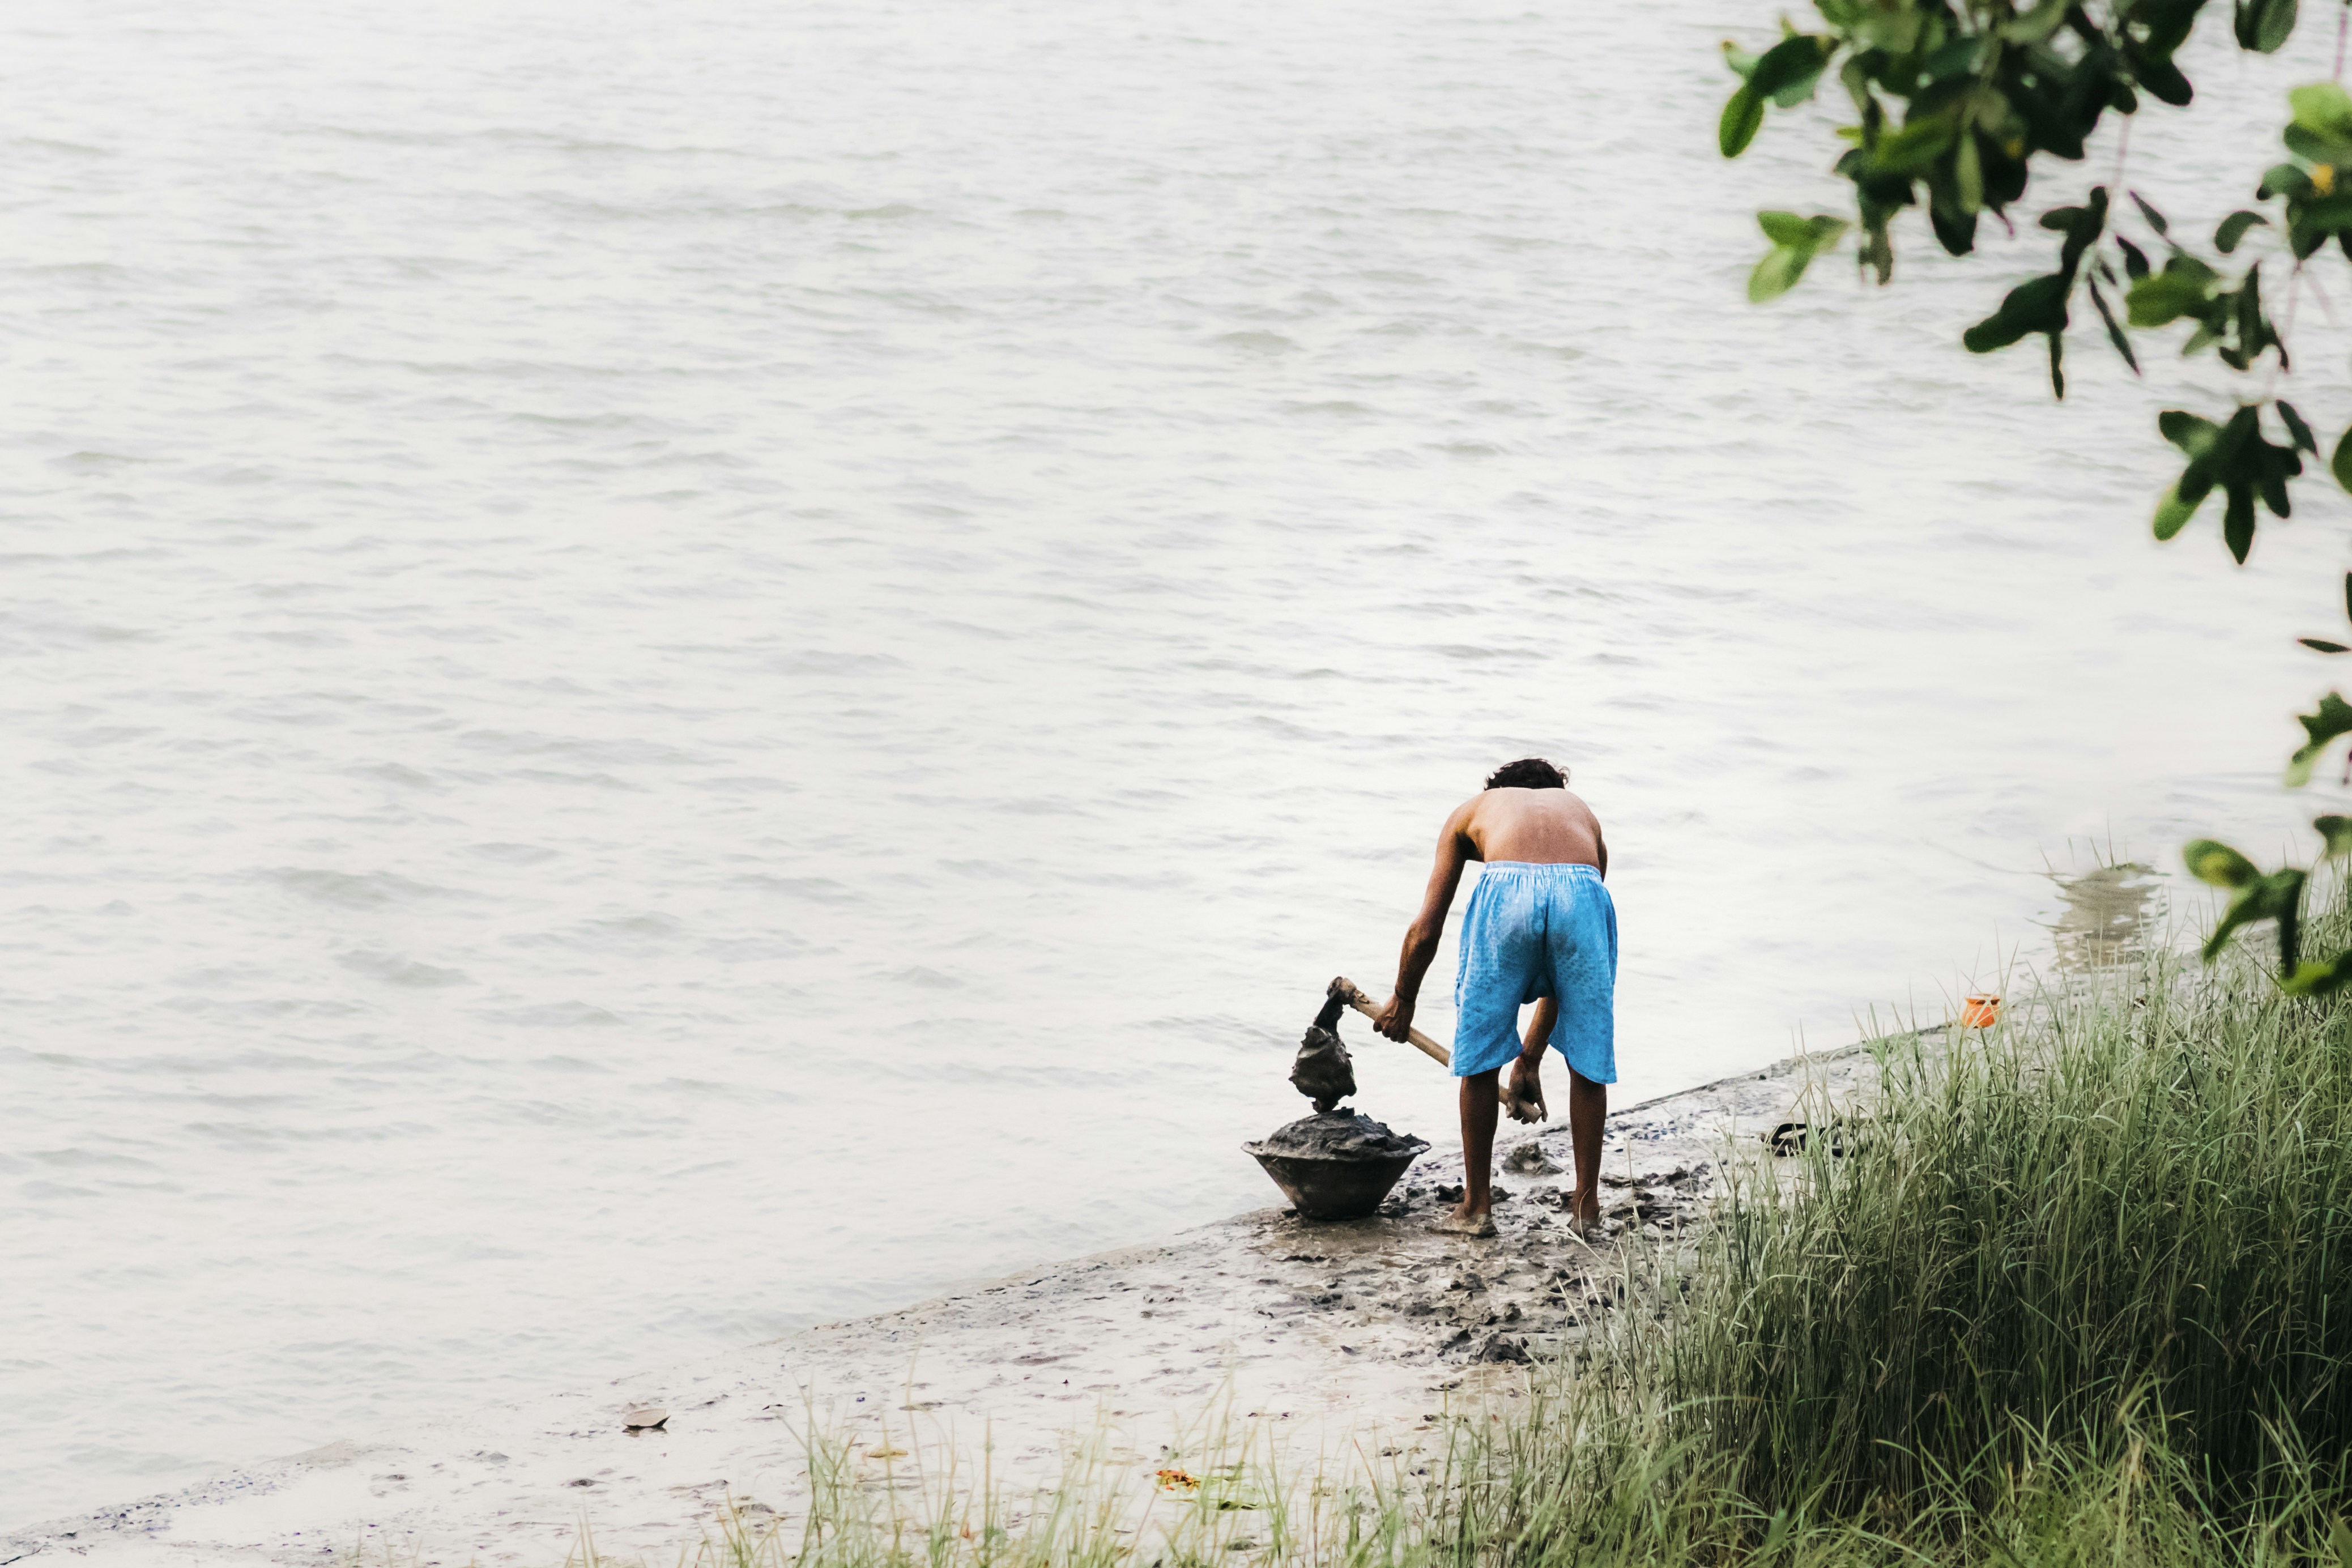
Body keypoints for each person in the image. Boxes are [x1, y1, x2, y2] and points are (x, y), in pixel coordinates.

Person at [1372, 757, 1614, 1238]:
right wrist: (1530, 1058)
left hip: (1506, 897)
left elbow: (1426, 929)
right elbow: (1562, 981)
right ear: (1553, 791)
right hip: (1583, 895)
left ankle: (1476, 1207)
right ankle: (1586, 1208)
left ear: (1498, 789)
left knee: (1480, 1061)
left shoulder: (1475, 810)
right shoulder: (1581, 814)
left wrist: (1403, 999)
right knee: (1588, 1060)